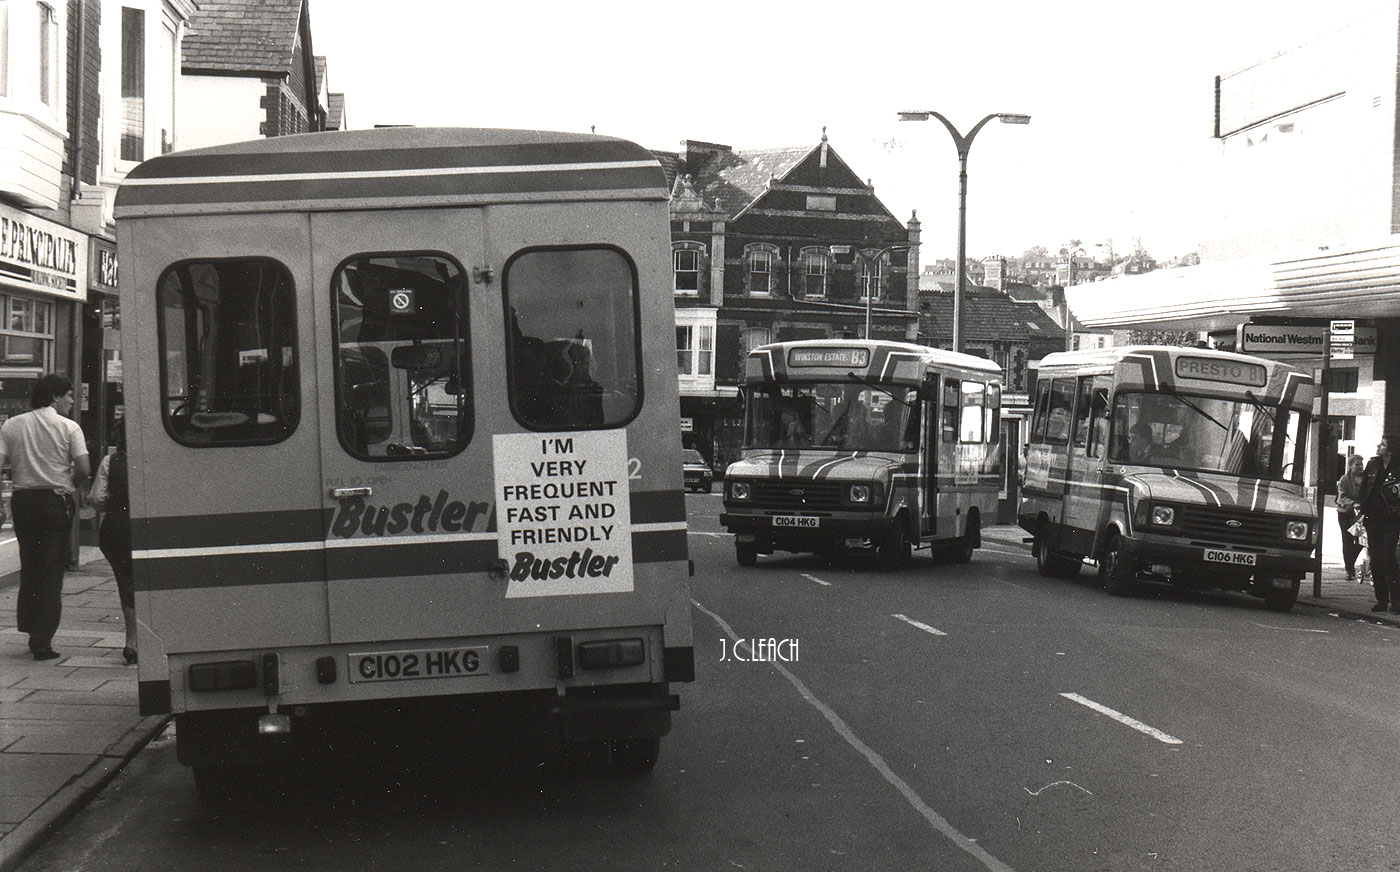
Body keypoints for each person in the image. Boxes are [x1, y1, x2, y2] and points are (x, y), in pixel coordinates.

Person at [0, 375, 91, 660]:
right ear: (55, 397)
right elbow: (84, 468)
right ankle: (43, 639)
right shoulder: (68, 427)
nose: (72, 401)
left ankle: (30, 628)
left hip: (24, 501)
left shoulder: (12, 425)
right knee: (51, 569)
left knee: (30, 565)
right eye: (69, 396)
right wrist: (72, 482)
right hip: (56, 501)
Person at [89, 429, 136, 664]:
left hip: (117, 530)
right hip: (150, 530)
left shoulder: (111, 461)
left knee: (127, 583)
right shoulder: (159, 460)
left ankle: (132, 642)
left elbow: (97, 499)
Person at [1359, 434, 1400, 614]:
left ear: (1390, 449)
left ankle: (1397, 601)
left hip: (1391, 519)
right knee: (1375, 560)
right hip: (1373, 517)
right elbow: (1365, 487)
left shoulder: (1398, 467)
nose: (1378, 446)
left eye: (1382, 444)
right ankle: (1381, 600)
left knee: (1387, 558)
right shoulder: (1373, 464)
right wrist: (1363, 506)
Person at [1336, 453, 1367, 581]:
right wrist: (1353, 503)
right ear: (1350, 466)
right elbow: (1341, 496)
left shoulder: (1367, 479)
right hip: (1345, 512)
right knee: (1347, 540)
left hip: (1361, 514)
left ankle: (1350, 563)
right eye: (1357, 464)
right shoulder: (1345, 479)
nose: (1360, 467)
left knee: (1362, 540)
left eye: (1361, 464)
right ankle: (1349, 569)